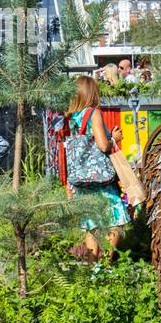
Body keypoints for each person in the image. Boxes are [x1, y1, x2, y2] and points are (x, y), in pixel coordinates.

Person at [66, 75, 128, 259]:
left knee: (90, 222)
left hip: (81, 178)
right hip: (101, 179)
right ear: (92, 93)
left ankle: (94, 266)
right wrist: (114, 139)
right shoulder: (94, 113)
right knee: (116, 218)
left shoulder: (72, 118)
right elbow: (102, 145)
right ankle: (107, 263)